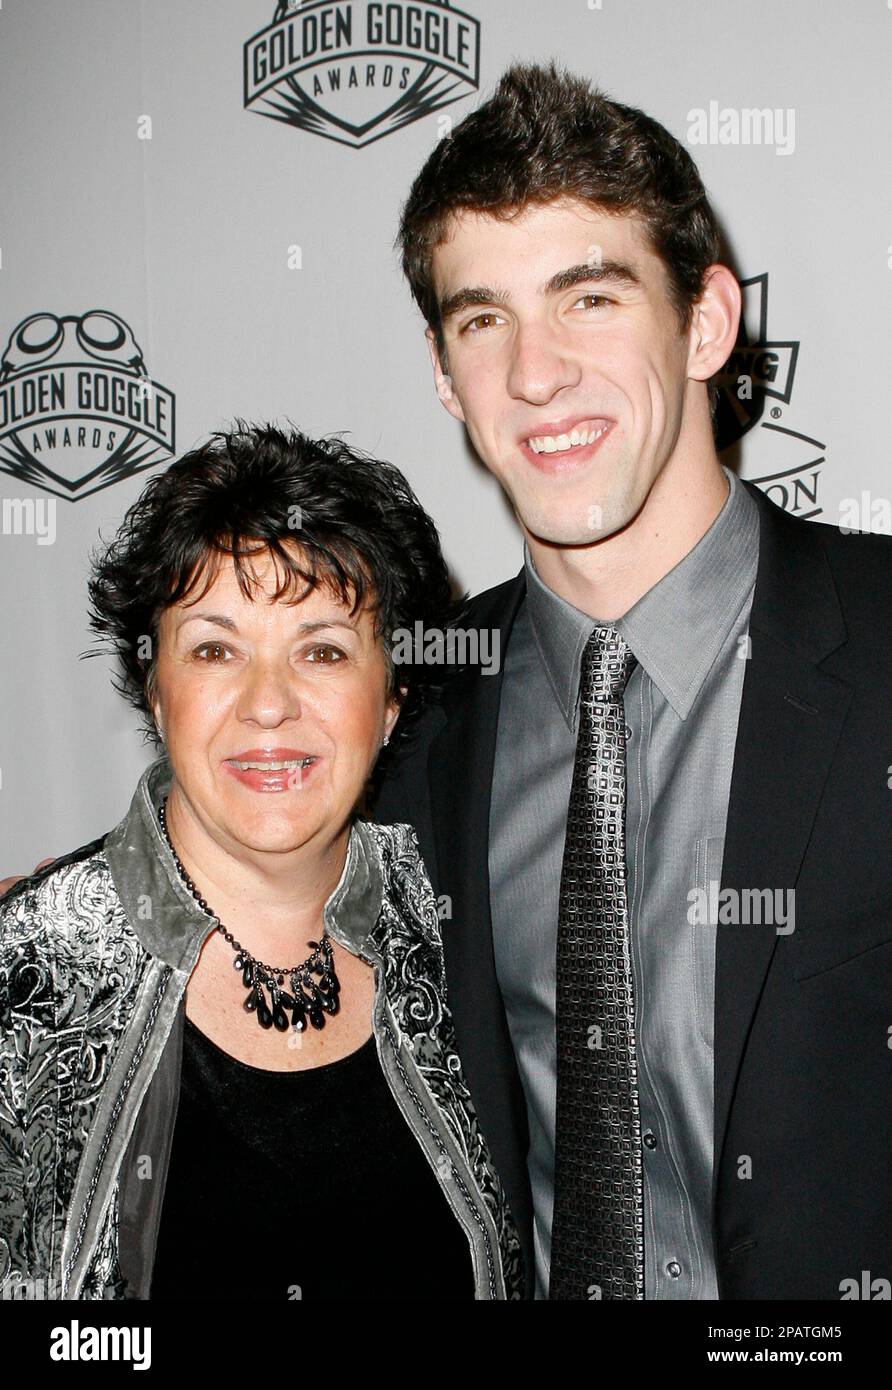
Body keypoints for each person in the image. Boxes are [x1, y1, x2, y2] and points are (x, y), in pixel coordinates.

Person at [371, 62, 892, 1299]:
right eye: (480, 318)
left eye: (589, 298)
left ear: (706, 322)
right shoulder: (404, 723)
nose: (535, 373)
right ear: (445, 375)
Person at [0, 422, 523, 1301]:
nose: (269, 705)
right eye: (214, 649)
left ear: (392, 700)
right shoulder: (26, 973)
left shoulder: (466, 932)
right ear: (156, 691)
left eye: (322, 650)